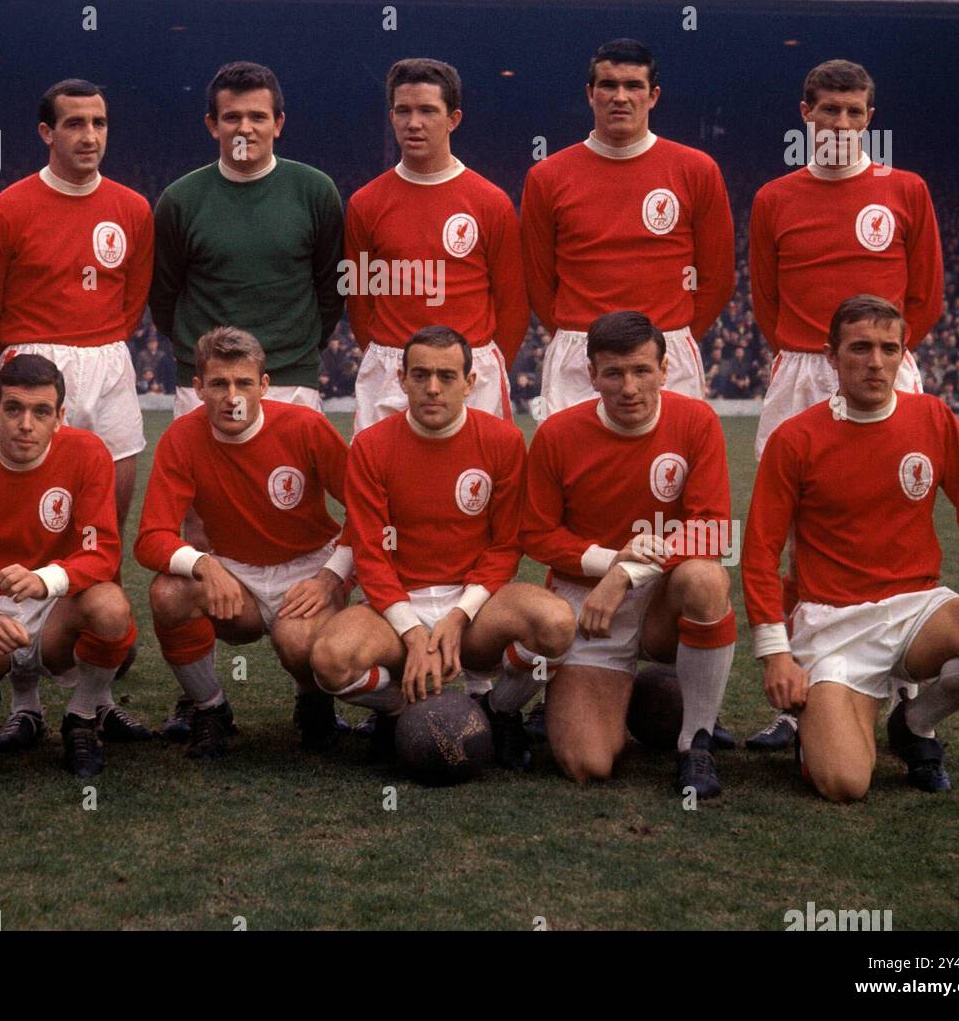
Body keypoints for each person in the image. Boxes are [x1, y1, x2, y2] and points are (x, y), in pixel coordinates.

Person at [742, 295, 959, 800]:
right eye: (860, 348)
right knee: (845, 784)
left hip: (916, 609)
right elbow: (760, 553)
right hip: (832, 624)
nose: (876, 362)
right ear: (832, 356)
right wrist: (775, 655)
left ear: (903, 355)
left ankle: (914, 722)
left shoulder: (932, 417)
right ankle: (824, 720)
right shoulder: (795, 439)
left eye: (889, 349)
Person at [745, 59, 944, 749]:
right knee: (795, 535)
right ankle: (793, 702)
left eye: (853, 112)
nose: (839, 123)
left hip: (882, 366)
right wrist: (808, 355)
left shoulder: (905, 190)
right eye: (827, 109)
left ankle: (904, 700)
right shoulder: (774, 197)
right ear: (805, 112)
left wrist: (878, 357)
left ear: (869, 118)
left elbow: (926, 295)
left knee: (895, 525)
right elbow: (765, 300)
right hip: (801, 366)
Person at [148, 61, 346, 739]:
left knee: (299, 515)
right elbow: (164, 295)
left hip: (288, 372)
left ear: (278, 123)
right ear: (212, 123)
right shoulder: (180, 199)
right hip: (201, 378)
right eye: (231, 116)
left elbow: (329, 288)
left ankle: (314, 687)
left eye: (257, 116)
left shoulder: (314, 191)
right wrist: (203, 368)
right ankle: (202, 703)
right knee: (197, 540)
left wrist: (289, 356)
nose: (244, 127)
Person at [0, 78, 154, 750]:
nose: (90, 135)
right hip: (34, 362)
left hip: (107, 360)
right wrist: (19, 363)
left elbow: (133, 295)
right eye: (74, 123)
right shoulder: (9, 207)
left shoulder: (132, 207)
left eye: (100, 122)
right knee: (30, 532)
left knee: (101, 540)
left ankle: (94, 703)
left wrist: (99, 348)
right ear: (46, 132)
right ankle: (24, 700)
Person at [311, 326, 576, 769]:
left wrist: (459, 615)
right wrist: (412, 631)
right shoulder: (372, 447)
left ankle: (499, 710)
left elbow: (506, 545)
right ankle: (400, 711)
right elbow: (371, 552)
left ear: (471, 382)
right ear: (402, 379)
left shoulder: (504, 442)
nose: (432, 388)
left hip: (476, 609)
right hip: (395, 604)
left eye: (447, 376)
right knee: (330, 659)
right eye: (421, 375)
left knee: (556, 623)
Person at [521, 311, 736, 796]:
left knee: (705, 579)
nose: (629, 387)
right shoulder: (557, 434)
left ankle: (695, 742)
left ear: (664, 369)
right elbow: (536, 534)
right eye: (613, 373)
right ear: (591, 374)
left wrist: (625, 573)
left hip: (662, 599)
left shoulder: (696, 421)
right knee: (585, 764)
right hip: (589, 605)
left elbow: (714, 530)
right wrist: (606, 562)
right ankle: (614, 697)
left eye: (642, 371)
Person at [0, 354, 135, 778]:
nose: (26, 424)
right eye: (13, 408)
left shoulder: (88, 453)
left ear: (60, 416)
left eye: (41, 411)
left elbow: (102, 550)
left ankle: (81, 716)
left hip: (57, 607)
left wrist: (46, 579)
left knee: (111, 608)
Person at [135, 328, 353, 757]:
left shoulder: (305, 426)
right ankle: (211, 709)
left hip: (310, 565)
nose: (231, 396)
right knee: (168, 594)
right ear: (198, 388)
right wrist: (205, 565)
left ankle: (313, 702)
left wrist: (331, 578)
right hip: (236, 572)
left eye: (243, 383)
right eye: (218, 384)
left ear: (264, 385)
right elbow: (150, 538)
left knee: (297, 642)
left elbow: (368, 510)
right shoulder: (182, 437)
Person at [521, 38, 734, 413]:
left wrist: (668, 338)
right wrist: (582, 338)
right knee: (576, 470)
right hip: (579, 352)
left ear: (653, 96)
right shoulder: (547, 176)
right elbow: (538, 280)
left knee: (667, 468)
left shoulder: (697, 170)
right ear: (591, 94)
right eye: (608, 85)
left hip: (667, 350)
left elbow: (715, 277)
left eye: (633, 86)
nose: (620, 96)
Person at [344, 58, 528, 433]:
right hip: (391, 371)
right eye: (403, 111)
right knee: (386, 487)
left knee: (474, 488)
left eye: (428, 110)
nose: (414, 122)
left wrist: (469, 368)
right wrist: (393, 360)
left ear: (453, 118)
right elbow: (360, 302)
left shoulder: (490, 201)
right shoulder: (365, 203)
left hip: (471, 371)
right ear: (392, 116)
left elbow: (513, 305)